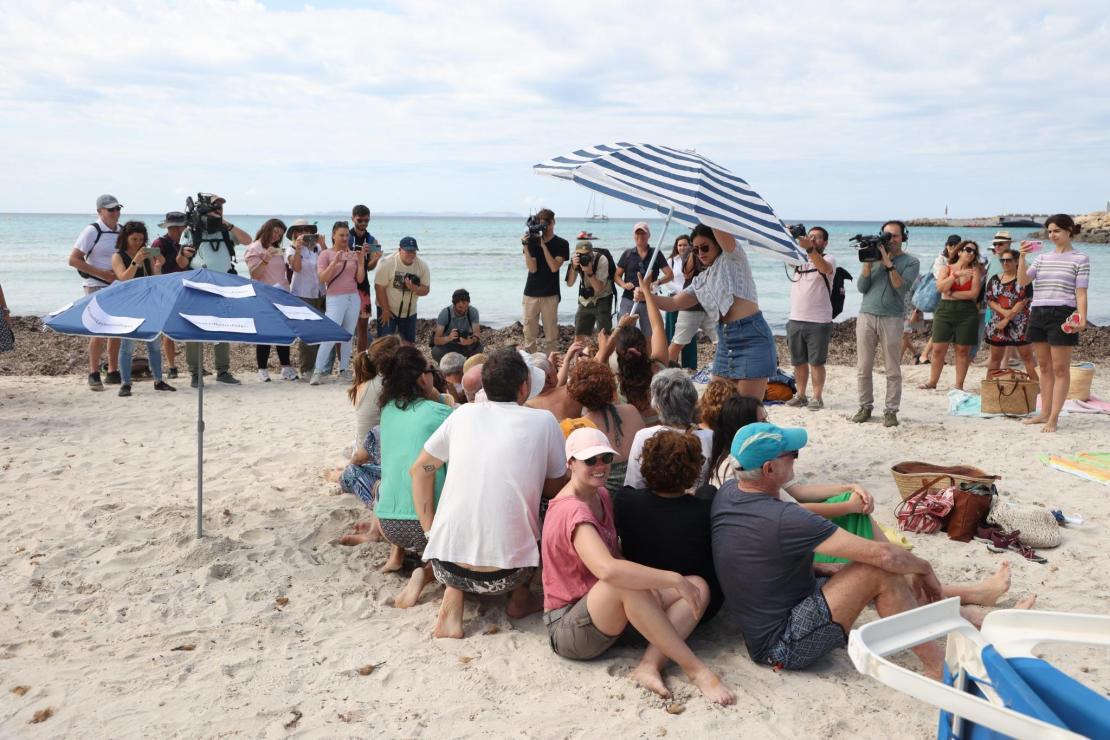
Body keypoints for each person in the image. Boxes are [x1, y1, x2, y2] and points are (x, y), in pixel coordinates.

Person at [712, 422, 1034, 675]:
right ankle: (939, 667)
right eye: (792, 455)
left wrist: (821, 568)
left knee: (891, 568)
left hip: (779, 610)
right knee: (885, 568)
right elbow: (883, 555)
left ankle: (974, 620)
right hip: (782, 647)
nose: (797, 458)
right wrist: (925, 566)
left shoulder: (729, 494)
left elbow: (755, 557)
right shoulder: (785, 517)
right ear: (768, 470)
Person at [540, 427, 735, 705]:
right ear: (570, 462)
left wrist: (659, 586)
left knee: (697, 587)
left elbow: (616, 557)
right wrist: (669, 579)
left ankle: (649, 665)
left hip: (601, 613)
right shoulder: (572, 509)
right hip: (569, 625)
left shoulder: (602, 495)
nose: (600, 466)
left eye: (606, 458)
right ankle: (696, 670)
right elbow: (607, 570)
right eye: (590, 460)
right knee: (627, 582)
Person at [409, 348, 565, 639]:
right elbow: (555, 487)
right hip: (508, 575)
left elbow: (420, 470)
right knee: (547, 503)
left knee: (468, 494)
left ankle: (453, 600)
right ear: (523, 388)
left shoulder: (463, 415)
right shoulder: (543, 421)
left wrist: (431, 532)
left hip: (444, 564)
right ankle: (521, 599)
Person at [639, 224, 776, 399]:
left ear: (718, 244)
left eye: (704, 247)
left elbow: (719, 228)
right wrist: (646, 295)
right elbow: (673, 303)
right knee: (715, 407)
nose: (700, 253)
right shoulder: (701, 280)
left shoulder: (734, 258)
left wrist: (705, 211)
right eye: (695, 250)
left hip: (752, 339)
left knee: (747, 410)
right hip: (726, 343)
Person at [614, 430, 723, 625]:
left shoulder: (624, 500)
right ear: (693, 469)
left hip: (643, 597)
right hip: (698, 603)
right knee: (708, 490)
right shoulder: (705, 509)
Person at [374, 346, 454, 608]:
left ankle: (397, 555)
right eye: (430, 371)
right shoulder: (440, 414)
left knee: (390, 477)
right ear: (422, 378)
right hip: (427, 527)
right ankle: (428, 571)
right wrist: (443, 398)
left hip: (389, 525)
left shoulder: (387, 412)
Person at [1018, 214, 1090, 432]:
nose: (1052, 235)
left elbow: (1081, 293)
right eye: (1049, 231)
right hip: (1038, 312)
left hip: (1063, 313)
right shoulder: (1041, 259)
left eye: (1057, 230)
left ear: (1069, 230)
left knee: (1060, 368)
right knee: (1045, 368)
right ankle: (1044, 413)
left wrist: (1082, 318)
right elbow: (1022, 281)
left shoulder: (1081, 259)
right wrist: (1022, 257)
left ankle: (1054, 418)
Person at [850, 220, 920, 426]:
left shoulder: (911, 262)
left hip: (892, 318)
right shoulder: (872, 258)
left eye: (895, 236)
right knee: (863, 366)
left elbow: (901, 288)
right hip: (866, 315)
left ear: (903, 238)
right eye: (886, 235)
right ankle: (865, 407)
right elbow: (862, 287)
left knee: (892, 367)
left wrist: (888, 264)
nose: (890, 239)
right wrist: (867, 264)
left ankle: (891, 411)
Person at [336, 336, 403, 545]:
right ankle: (379, 521)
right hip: (374, 454)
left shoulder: (361, 385)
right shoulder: (390, 385)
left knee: (351, 466)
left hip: (364, 450)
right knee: (353, 473)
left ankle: (337, 474)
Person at [179, 193, 250, 388]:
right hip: (198, 285)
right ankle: (195, 372)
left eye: (221, 207)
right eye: (214, 207)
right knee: (194, 328)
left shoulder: (226, 230)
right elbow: (181, 262)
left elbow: (247, 240)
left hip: (223, 285)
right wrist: (182, 254)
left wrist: (227, 223)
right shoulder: (192, 230)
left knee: (223, 327)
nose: (219, 210)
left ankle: (223, 371)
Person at [110, 221, 175, 397]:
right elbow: (123, 279)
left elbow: (155, 280)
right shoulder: (118, 256)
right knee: (127, 346)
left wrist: (158, 266)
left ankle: (158, 380)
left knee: (154, 345)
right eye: (134, 239)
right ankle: (125, 383)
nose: (138, 242)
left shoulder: (146, 255)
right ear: (125, 238)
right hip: (129, 305)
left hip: (148, 303)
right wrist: (135, 262)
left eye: (141, 239)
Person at [67, 194, 124, 391]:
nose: (115, 213)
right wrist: (104, 274)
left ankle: (113, 370)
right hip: (95, 284)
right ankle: (93, 372)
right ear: (100, 211)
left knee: (116, 329)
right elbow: (74, 259)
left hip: (118, 285)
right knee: (97, 329)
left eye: (118, 209)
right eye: (111, 209)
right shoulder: (92, 230)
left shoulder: (122, 231)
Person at [624, 369, 714, 491]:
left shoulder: (645, 436)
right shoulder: (710, 437)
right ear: (693, 401)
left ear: (658, 406)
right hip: (696, 505)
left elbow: (634, 484)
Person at [565, 355, 645, 491]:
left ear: (578, 394)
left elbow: (570, 474)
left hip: (605, 498)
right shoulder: (631, 411)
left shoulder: (580, 428)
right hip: (639, 491)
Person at [919, 240, 983, 391]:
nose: (971, 253)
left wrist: (952, 293)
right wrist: (955, 276)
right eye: (968, 250)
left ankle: (959, 385)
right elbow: (941, 287)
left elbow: (973, 294)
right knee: (938, 349)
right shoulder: (946, 269)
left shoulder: (975, 271)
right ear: (960, 251)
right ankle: (932, 382)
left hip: (967, 313)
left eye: (974, 252)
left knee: (962, 351)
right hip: (945, 312)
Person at [785, 226, 836, 410]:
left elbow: (823, 267)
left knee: (816, 362)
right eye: (810, 236)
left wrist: (808, 248)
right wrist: (788, 235)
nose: (813, 240)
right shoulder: (800, 259)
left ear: (825, 242)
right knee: (798, 362)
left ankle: (817, 397)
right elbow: (783, 253)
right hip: (795, 318)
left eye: (817, 238)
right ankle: (800, 395)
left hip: (819, 321)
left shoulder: (829, 259)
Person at [309, 222, 365, 385]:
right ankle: (318, 371)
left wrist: (361, 262)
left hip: (353, 296)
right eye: (341, 235)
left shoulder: (353, 254)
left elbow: (360, 279)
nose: (345, 238)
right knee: (330, 335)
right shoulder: (325, 254)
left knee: (347, 335)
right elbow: (322, 278)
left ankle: (344, 370)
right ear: (333, 235)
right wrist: (335, 261)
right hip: (335, 298)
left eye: (347, 235)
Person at [244, 218, 296, 382]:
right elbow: (255, 274)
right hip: (263, 295)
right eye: (274, 232)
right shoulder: (255, 248)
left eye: (279, 235)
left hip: (281, 294)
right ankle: (262, 369)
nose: (276, 236)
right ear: (267, 229)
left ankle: (286, 367)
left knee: (283, 332)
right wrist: (265, 258)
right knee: (265, 332)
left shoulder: (276, 248)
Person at [520, 208, 569, 353]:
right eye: (542, 224)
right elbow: (532, 268)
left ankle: (551, 367)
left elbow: (554, 267)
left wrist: (543, 246)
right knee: (529, 335)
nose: (546, 227)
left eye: (548, 223)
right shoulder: (532, 242)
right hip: (531, 293)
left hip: (550, 294)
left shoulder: (561, 243)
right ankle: (531, 366)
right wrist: (526, 247)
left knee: (551, 336)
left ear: (554, 222)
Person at [985, 248, 1038, 380]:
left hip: (1020, 324)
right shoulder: (994, 279)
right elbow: (990, 300)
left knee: (1027, 357)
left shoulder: (1024, 281)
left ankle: (1037, 388)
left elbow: (1022, 302)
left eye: (1009, 260)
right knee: (995, 358)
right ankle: (989, 388)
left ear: (1016, 262)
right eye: (1002, 260)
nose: (1005, 263)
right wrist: (1003, 314)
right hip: (997, 323)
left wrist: (1006, 319)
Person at [614, 222, 673, 337]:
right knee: (625, 335)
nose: (640, 236)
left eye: (643, 233)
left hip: (649, 300)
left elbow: (670, 275)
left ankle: (649, 355)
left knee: (650, 335)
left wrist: (658, 282)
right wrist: (624, 285)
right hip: (629, 299)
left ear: (648, 235)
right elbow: (616, 276)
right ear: (633, 236)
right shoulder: (627, 254)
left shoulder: (656, 254)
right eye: (637, 233)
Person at [665, 233, 715, 368]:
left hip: (710, 305)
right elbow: (688, 272)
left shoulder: (712, 250)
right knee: (677, 342)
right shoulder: (689, 252)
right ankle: (664, 373)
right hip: (690, 306)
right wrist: (694, 250)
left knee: (722, 340)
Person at [285, 219, 324, 378]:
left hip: (320, 292)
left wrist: (323, 243)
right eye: (300, 230)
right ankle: (306, 368)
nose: (303, 233)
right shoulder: (291, 249)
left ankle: (319, 367)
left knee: (320, 330)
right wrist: (299, 249)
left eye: (307, 230)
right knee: (307, 332)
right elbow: (297, 268)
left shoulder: (318, 248)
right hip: (302, 293)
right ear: (294, 234)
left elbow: (327, 263)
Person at [916, 235, 963, 365]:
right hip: (940, 299)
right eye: (950, 245)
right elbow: (940, 277)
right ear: (946, 245)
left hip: (955, 299)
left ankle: (928, 355)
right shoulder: (941, 259)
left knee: (946, 329)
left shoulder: (962, 260)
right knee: (940, 328)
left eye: (955, 245)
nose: (952, 248)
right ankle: (924, 355)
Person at [375, 236, 430, 345]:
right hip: (388, 309)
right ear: (399, 250)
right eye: (407, 251)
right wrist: (385, 310)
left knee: (409, 346)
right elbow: (379, 287)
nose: (411, 254)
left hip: (409, 311)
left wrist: (415, 289)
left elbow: (426, 289)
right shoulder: (387, 263)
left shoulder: (422, 266)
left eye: (413, 251)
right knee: (385, 344)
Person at [153, 211, 188, 378]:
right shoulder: (159, 243)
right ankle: (172, 366)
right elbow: (154, 268)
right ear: (173, 228)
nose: (186, 228)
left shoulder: (187, 242)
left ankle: (192, 365)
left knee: (189, 326)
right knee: (168, 330)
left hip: (186, 287)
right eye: (183, 226)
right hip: (166, 289)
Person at [349, 205, 383, 354]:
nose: (363, 223)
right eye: (360, 220)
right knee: (344, 326)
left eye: (366, 220)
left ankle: (360, 360)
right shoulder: (345, 236)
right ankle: (341, 363)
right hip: (345, 286)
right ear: (353, 218)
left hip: (363, 287)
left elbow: (369, 268)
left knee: (363, 326)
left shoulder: (371, 240)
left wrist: (375, 259)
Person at [566, 237, 614, 342]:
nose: (584, 257)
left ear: (592, 253)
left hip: (603, 298)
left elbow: (599, 288)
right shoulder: (575, 261)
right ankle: (578, 356)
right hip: (586, 300)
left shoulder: (602, 260)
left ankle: (603, 356)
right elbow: (569, 283)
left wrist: (589, 272)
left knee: (604, 334)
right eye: (580, 254)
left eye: (586, 254)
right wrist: (573, 267)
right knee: (579, 333)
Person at [663, 234, 699, 369]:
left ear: (690, 245)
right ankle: (672, 365)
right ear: (676, 247)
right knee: (672, 334)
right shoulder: (671, 261)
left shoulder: (695, 259)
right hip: (674, 300)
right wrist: (681, 292)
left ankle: (690, 366)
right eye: (680, 245)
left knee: (689, 333)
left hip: (689, 301)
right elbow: (667, 282)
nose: (682, 247)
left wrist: (687, 294)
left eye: (685, 245)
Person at [526, 351, 584, 422]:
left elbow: (553, 387)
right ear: (549, 378)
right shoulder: (572, 391)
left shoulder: (527, 405)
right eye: (555, 370)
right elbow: (594, 375)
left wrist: (566, 361)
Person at [432, 289, 482, 362]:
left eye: (466, 306)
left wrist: (470, 341)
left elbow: (477, 333)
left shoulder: (473, 311)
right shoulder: (445, 313)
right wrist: (449, 338)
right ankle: (447, 367)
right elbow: (436, 340)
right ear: (454, 304)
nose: (464, 310)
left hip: (465, 344)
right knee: (436, 351)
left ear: (468, 303)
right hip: (448, 345)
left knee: (479, 347)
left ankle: (466, 365)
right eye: (460, 307)